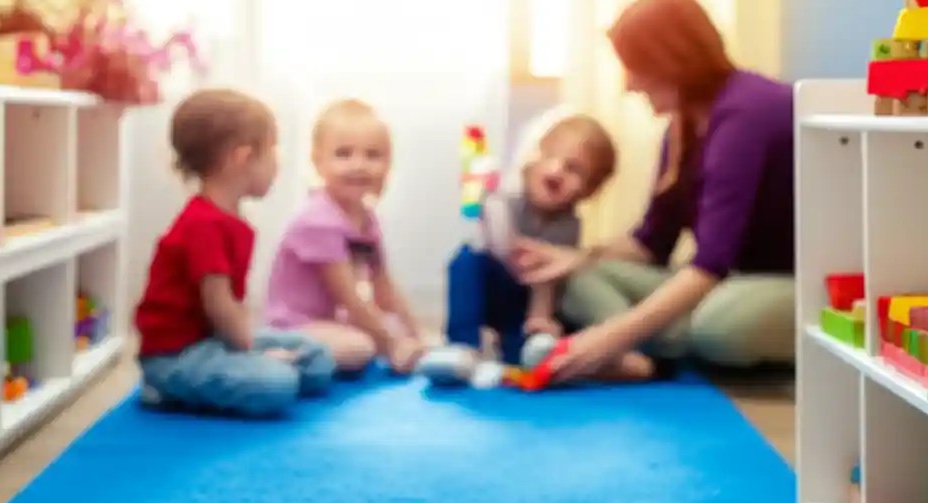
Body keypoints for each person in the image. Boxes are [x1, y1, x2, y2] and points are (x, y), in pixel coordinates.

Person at [512, 0, 795, 383]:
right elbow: (651, 243)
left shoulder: (744, 117)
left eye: (636, 68)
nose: (629, 85)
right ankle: (652, 351)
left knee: (718, 327)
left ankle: (654, 345)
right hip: (730, 282)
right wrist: (575, 258)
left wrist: (606, 338)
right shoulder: (681, 130)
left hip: (790, 282)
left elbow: (709, 265)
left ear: (670, 62)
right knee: (576, 279)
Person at [134, 89, 336, 418]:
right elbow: (220, 303)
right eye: (272, 150)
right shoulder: (204, 224)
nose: (277, 162)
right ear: (242, 158)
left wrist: (255, 347)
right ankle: (164, 386)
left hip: (213, 340)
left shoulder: (227, 218)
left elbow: (229, 314)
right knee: (277, 385)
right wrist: (253, 354)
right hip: (176, 355)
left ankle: (218, 378)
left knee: (317, 359)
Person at [433, 112, 652, 381]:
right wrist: (484, 193)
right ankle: (462, 347)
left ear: (587, 191)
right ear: (535, 156)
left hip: (524, 292)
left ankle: (522, 350)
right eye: (551, 157)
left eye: (574, 170)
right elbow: (488, 222)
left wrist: (540, 317)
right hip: (490, 278)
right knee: (465, 261)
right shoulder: (509, 193)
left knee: (530, 339)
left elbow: (549, 275)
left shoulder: (569, 224)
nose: (557, 170)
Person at [265, 99, 426, 374]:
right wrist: (392, 346)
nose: (359, 165)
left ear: (388, 164)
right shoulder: (317, 220)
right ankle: (276, 356)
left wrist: (417, 338)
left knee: (390, 326)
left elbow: (385, 288)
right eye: (343, 154)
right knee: (359, 347)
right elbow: (350, 298)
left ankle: (317, 358)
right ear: (318, 162)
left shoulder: (367, 220)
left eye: (372, 155)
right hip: (294, 324)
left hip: (330, 321)